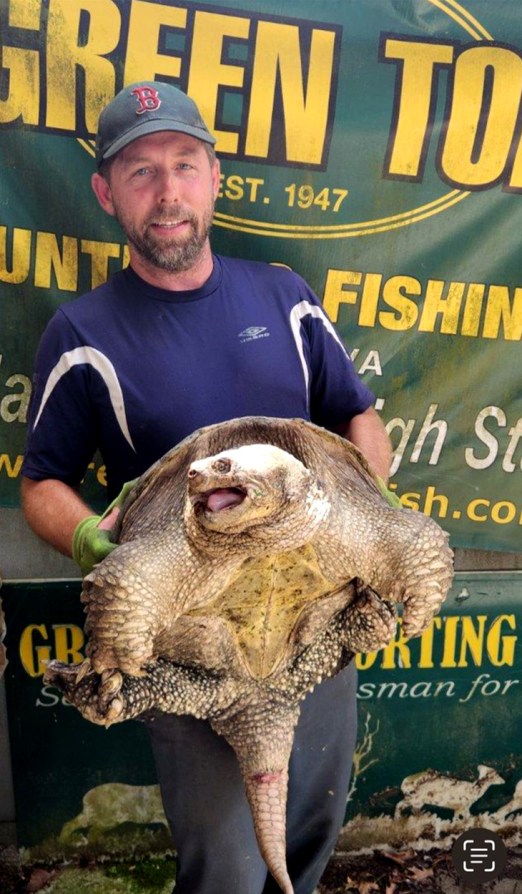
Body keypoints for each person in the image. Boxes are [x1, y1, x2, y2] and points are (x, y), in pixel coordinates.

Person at [22, 81, 394, 894]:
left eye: (184, 166)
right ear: (105, 193)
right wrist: (98, 541)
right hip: (195, 642)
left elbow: (359, 418)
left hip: (313, 616)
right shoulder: (83, 333)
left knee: (311, 826)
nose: (167, 194)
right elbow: (42, 481)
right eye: (141, 172)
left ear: (216, 175)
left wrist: (365, 512)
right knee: (226, 862)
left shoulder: (285, 297)